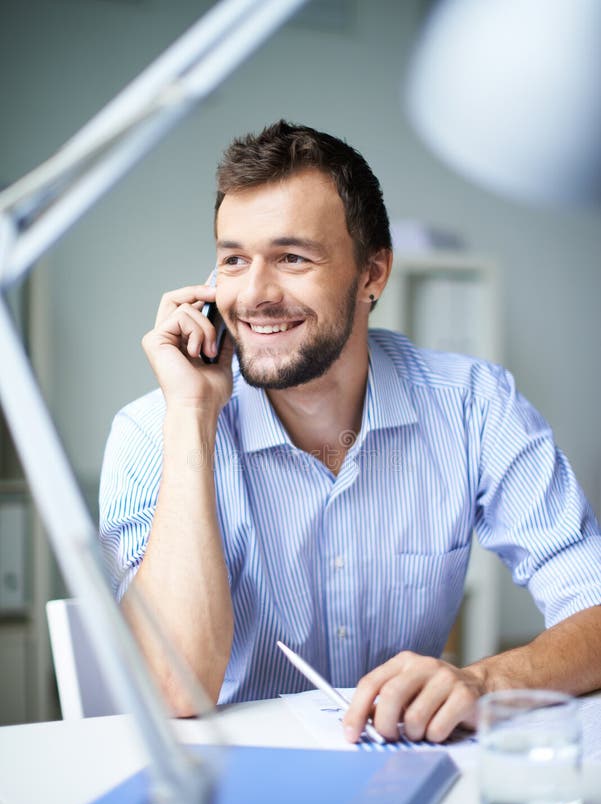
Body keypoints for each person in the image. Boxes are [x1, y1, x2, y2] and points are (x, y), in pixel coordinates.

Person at [99, 120, 601, 744]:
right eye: (234, 259)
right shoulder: (155, 429)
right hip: (230, 788)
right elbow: (171, 688)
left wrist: (482, 681)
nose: (254, 294)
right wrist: (191, 416)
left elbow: (593, 603)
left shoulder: (473, 405)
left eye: (292, 257)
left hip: (403, 767)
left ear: (372, 275)